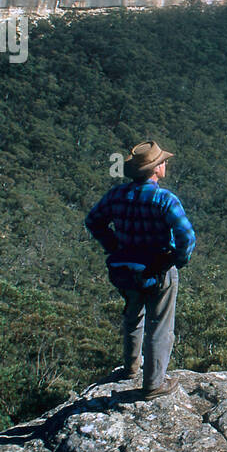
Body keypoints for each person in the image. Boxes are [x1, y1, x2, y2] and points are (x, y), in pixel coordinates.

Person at [85, 140, 196, 397]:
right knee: (160, 325)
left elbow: (93, 221)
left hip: (124, 268)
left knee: (133, 315)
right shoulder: (164, 199)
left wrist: (113, 246)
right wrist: (178, 260)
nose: (165, 164)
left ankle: (130, 368)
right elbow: (187, 236)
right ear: (156, 170)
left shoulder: (116, 195)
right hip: (158, 269)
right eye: (163, 162)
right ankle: (154, 384)